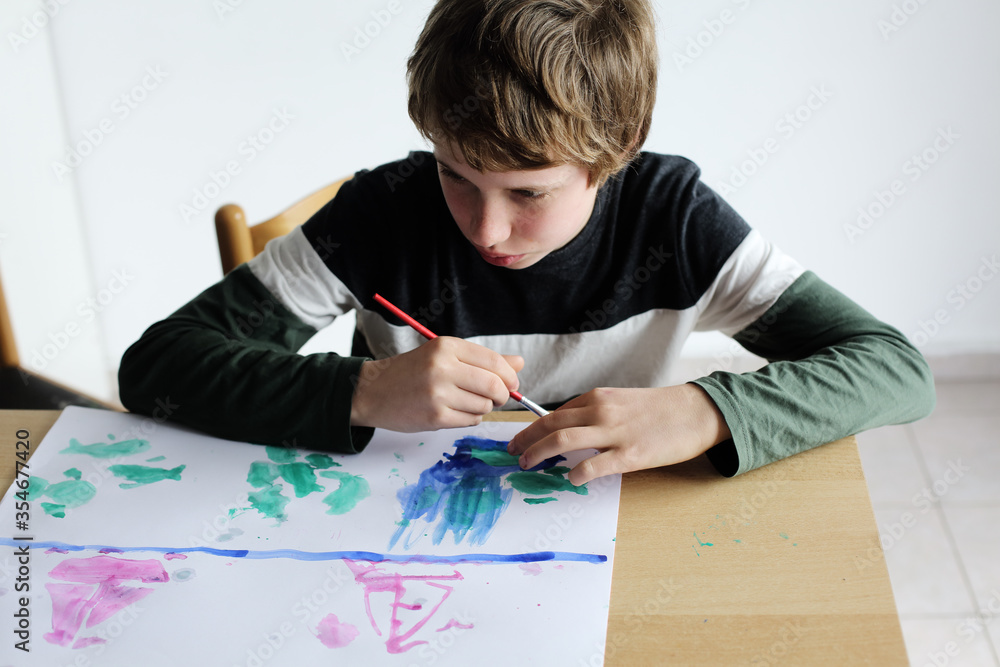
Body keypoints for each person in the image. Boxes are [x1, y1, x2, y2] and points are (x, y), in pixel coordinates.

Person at [119, 0, 935, 486]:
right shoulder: (382, 212)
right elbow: (155, 367)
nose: (486, 228)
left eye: (529, 192)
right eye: (457, 174)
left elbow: (895, 367)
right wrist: (364, 390)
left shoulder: (674, 220)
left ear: (615, 152)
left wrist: (705, 410)